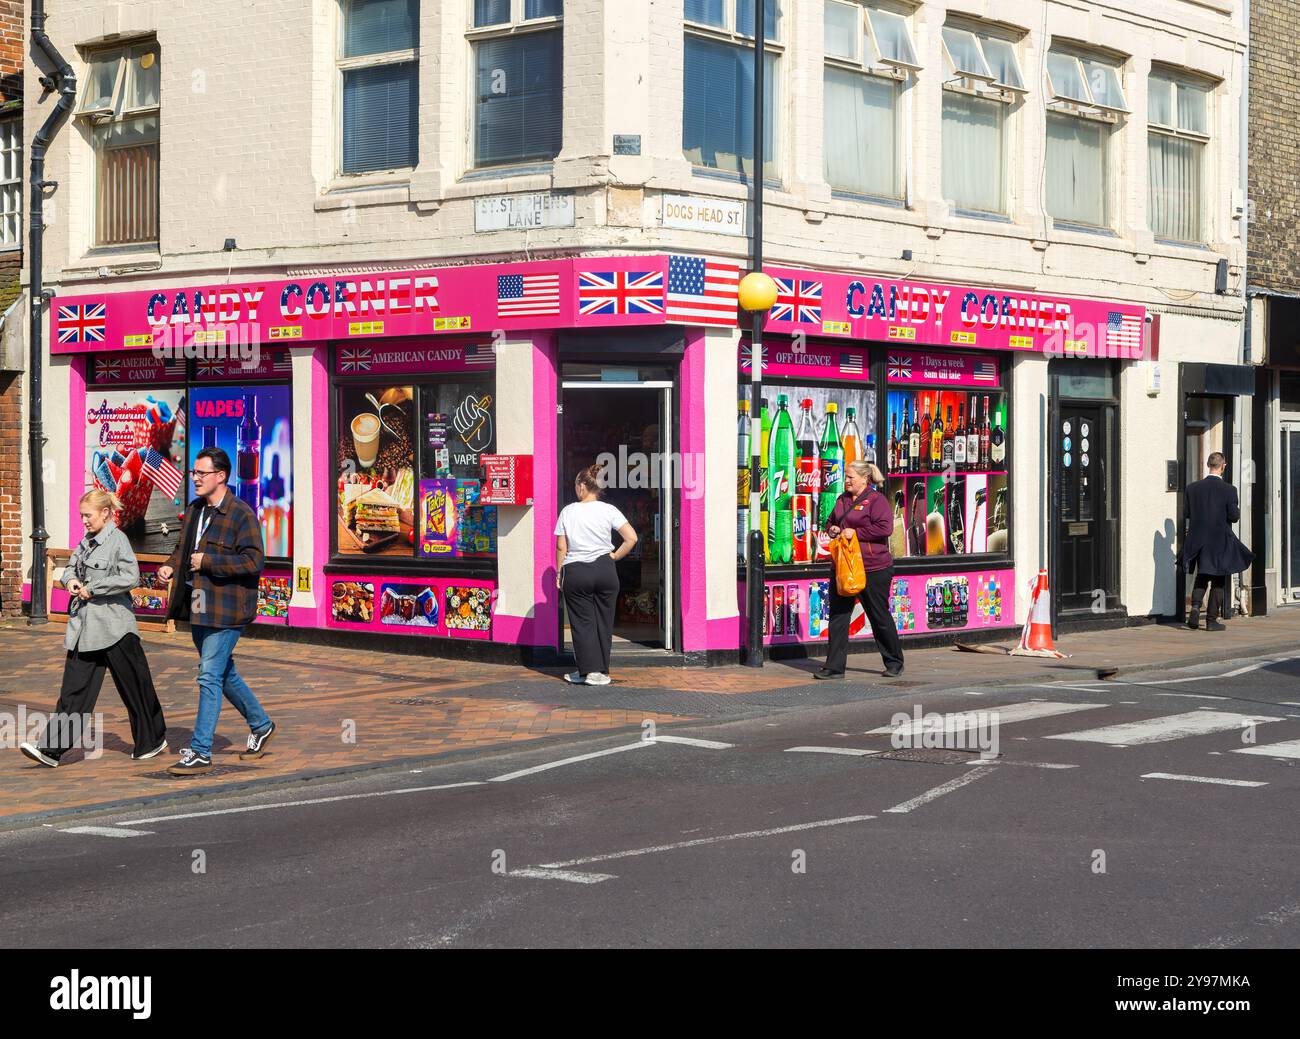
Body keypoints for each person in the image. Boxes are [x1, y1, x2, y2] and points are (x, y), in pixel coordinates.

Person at [19, 490, 168, 767]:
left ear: (105, 513)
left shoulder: (118, 540)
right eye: (81, 516)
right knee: (73, 692)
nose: (84, 521)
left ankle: (152, 740)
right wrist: (71, 581)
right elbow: (70, 569)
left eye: (88, 515)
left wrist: (94, 588)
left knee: (136, 688)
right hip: (85, 630)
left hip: (116, 629)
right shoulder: (85, 541)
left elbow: (130, 575)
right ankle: (51, 750)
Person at [157, 447, 277, 774]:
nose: (195, 478)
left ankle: (200, 751)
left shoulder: (241, 514)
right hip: (199, 605)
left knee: (208, 675)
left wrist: (209, 562)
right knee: (224, 673)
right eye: (193, 473)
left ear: (221, 476)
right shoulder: (196, 509)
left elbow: (254, 562)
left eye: (201, 473)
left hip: (228, 609)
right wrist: (170, 566)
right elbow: (183, 550)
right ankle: (261, 725)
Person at [814, 459, 905, 679]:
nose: (846, 481)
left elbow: (885, 528)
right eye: (845, 476)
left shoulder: (877, 501)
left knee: (878, 615)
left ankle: (894, 662)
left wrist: (855, 532)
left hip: (873, 567)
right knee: (838, 617)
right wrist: (833, 529)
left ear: (865, 479)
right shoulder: (842, 500)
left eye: (850, 477)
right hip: (844, 566)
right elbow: (829, 522)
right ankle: (834, 668)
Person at [554, 464, 639, 686]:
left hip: (577, 570)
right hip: (604, 569)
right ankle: (599, 672)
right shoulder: (609, 510)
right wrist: (614, 557)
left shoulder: (568, 511)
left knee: (582, 623)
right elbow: (632, 538)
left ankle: (587, 672)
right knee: (603, 622)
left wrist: (559, 572)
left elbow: (561, 547)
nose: (575, 489)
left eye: (576, 485)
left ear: (582, 486)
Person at [1181, 451, 1253, 631]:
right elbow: (1234, 516)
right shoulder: (1229, 490)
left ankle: (1196, 607)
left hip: (1198, 540)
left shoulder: (1192, 488)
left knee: (1202, 575)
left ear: (1208, 465)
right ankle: (1211, 620)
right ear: (1223, 466)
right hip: (1220, 541)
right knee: (1219, 579)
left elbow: (1186, 513)